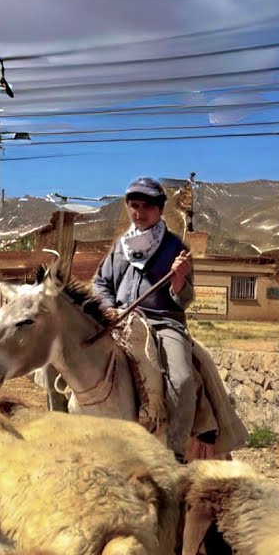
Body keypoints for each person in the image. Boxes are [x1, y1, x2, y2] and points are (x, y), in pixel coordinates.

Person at [91, 176, 198, 457]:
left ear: (160, 210)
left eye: (147, 207)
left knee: (182, 381)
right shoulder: (120, 246)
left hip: (162, 322)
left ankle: (175, 452)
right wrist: (108, 307)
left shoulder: (177, 249)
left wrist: (178, 281)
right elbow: (100, 283)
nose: (139, 213)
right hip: (120, 319)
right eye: (134, 206)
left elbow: (185, 299)